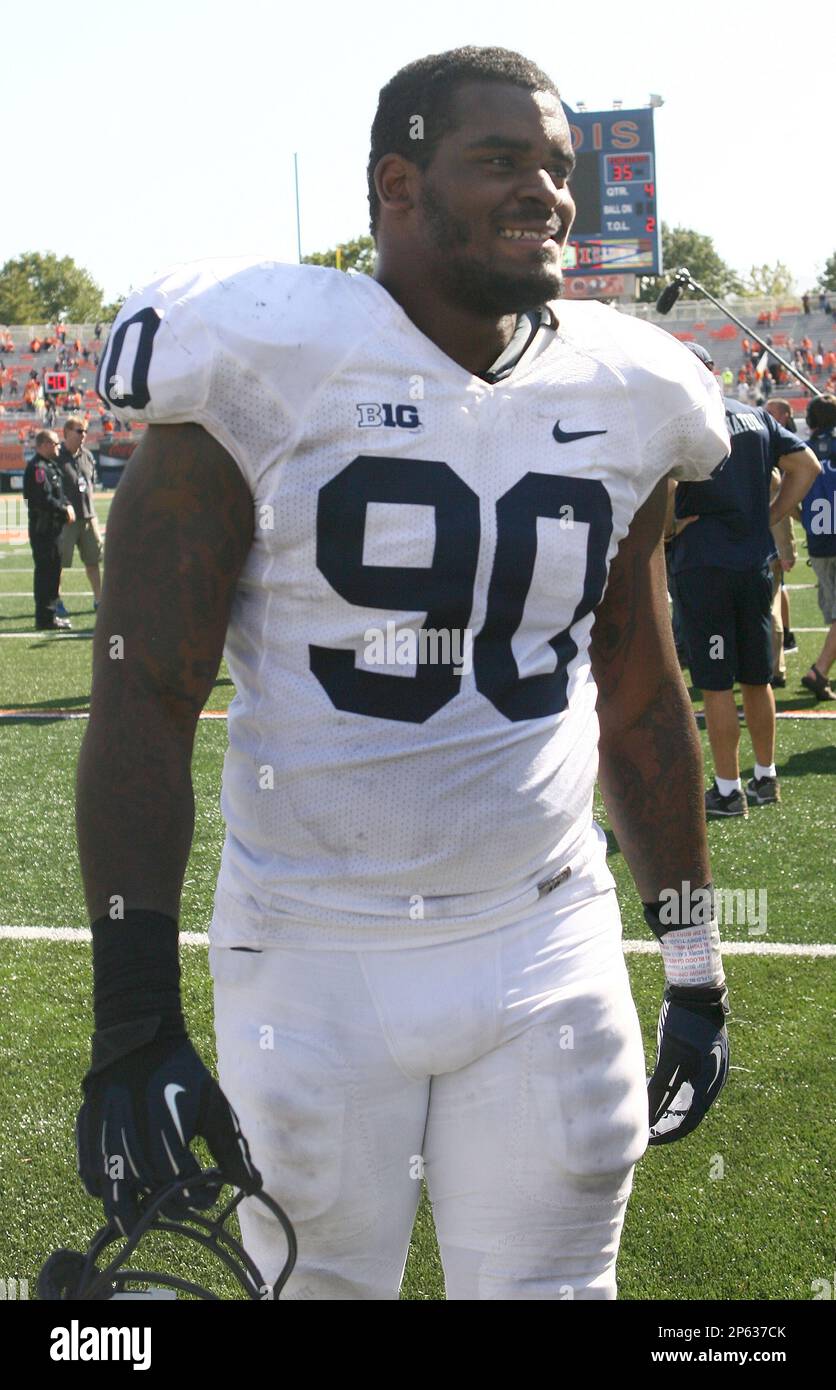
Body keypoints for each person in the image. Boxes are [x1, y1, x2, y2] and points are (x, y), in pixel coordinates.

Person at [76, 46, 735, 1303]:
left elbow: (638, 689)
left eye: (557, 168)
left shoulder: (632, 389)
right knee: (319, 1286)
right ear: (396, 184)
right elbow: (143, 694)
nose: (546, 192)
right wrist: (129, 1016)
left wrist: (694, 964)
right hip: (311, 946)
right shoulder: (262, 357)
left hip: (544, 927)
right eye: (500, 162)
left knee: (556, 1286)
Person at [670, 344, 820, 816]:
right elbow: (806, 466)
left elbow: (663, 490)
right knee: (758, 677)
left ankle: (729, 790)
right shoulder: (755, 416)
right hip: (754, 562)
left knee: (716, 683)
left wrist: (671, 528)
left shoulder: (682, 422)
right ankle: (765, 778)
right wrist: (769, 516)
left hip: (705, 567)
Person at [799, 394, 836, 700]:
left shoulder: (803, 450)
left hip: (818, 543)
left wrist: (805, 519)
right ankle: (820, 670)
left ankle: (821, 671)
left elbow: (786, 489)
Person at [22, 430, 75, 630]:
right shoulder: (37, 468)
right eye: (54, 443)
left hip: (55, 528)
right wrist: (63, 509)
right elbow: (41, 499)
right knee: (46, 573)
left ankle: (50, 616)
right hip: (44, 529)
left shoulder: (50, 466)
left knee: (53, 572)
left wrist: (67, 505)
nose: (58, 447)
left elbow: (59, 494)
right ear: (43, 444)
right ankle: (44, 618)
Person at [55, 417, 103, 612]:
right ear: (66, 432)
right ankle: (56, 600)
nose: (83, 435)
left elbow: (89, 484)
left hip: (88, 517)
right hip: (66, 520)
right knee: (59, 563)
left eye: (84, 431)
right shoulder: (57, 457)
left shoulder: (88, 456)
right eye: (79, 431)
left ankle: (99, 600)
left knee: (93, 561)